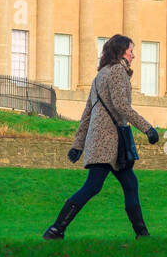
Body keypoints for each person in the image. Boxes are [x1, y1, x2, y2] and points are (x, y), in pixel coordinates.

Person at [43, 34, 160, 239]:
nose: (133, 55)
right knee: (94, 186)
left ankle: (142, 234)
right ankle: (56, 229)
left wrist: (78, 145)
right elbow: (121, 105)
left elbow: (87, 112)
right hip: (111, 142)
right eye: (131, 51)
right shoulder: (117, 71)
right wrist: (148, 128)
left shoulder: (100, 75)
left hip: (100, 142)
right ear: (121, 52)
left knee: (127, 183)